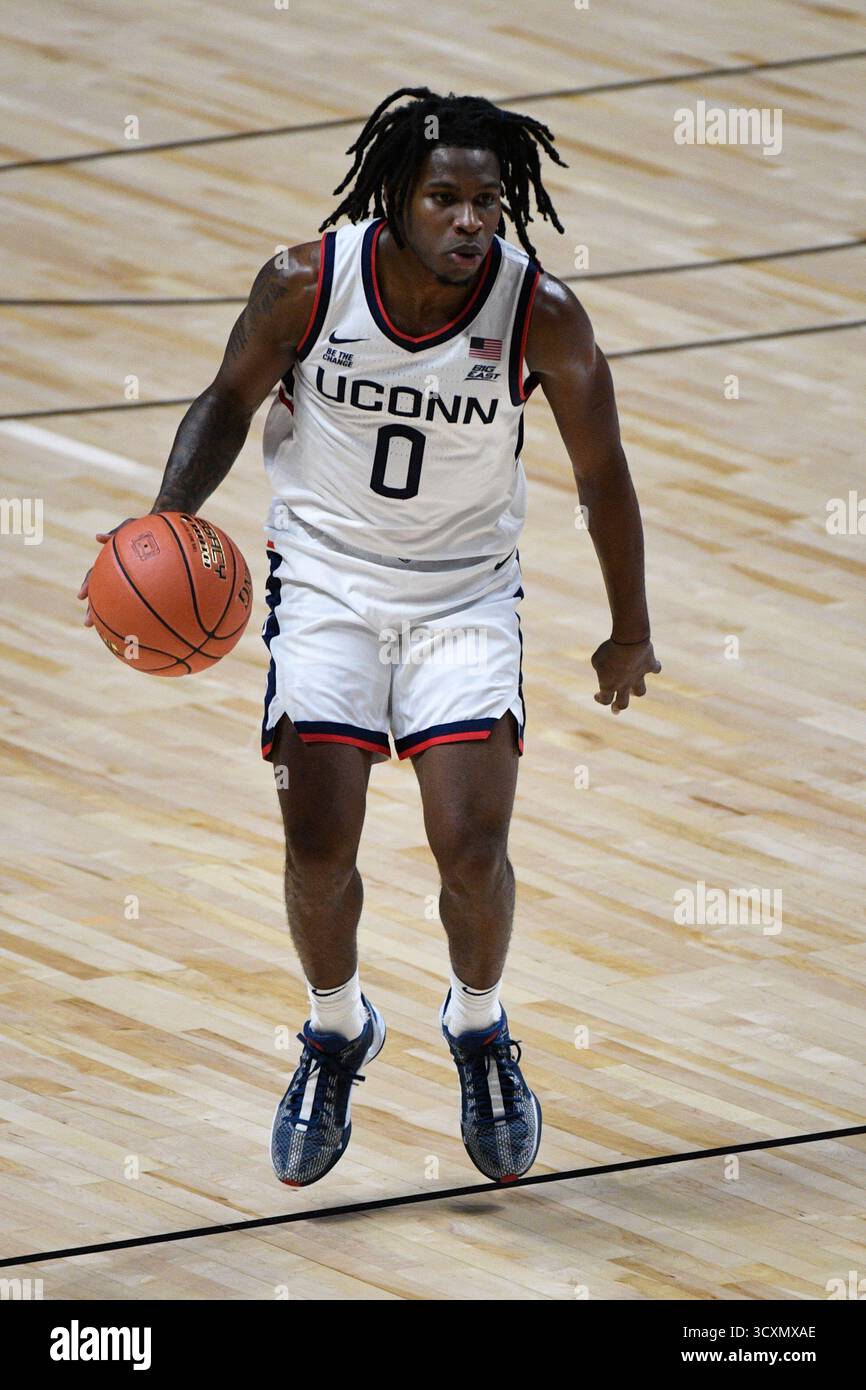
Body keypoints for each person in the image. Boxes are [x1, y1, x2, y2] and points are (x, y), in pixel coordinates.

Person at [78, 87, 661, 1188]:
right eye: (444, 197)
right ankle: (335, 1030)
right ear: (394, 195)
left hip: (462, 598)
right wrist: (169, 516)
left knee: (470, 848)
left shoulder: (541, 315)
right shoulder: (306, 283)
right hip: (328, 587)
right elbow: (223, 402)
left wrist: (629, 627)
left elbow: (603, 477)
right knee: (316, 848)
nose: (469, 221)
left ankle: (480, 1029)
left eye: (487, 202)